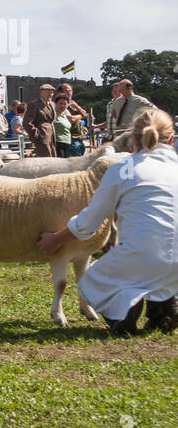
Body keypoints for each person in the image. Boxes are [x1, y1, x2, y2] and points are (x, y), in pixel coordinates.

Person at [38, 108, 178, 336]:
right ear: (171, 139)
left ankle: (124, 312)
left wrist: (56, 239)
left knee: (91, 281)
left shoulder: (123, 170)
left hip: (143, 256)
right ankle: (166, 306)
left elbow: (89, 221)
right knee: (160, 264)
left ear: (133, 139)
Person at [23, 84, 57, 158]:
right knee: (46, 162)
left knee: (53, 162)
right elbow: (27, 123)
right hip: (42, 139)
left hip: (52, 138)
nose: (50, 95)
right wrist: (37, 135)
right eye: (48, 92)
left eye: (52, 92)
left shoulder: (52, 104)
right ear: (41, 92)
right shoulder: (34, 104)